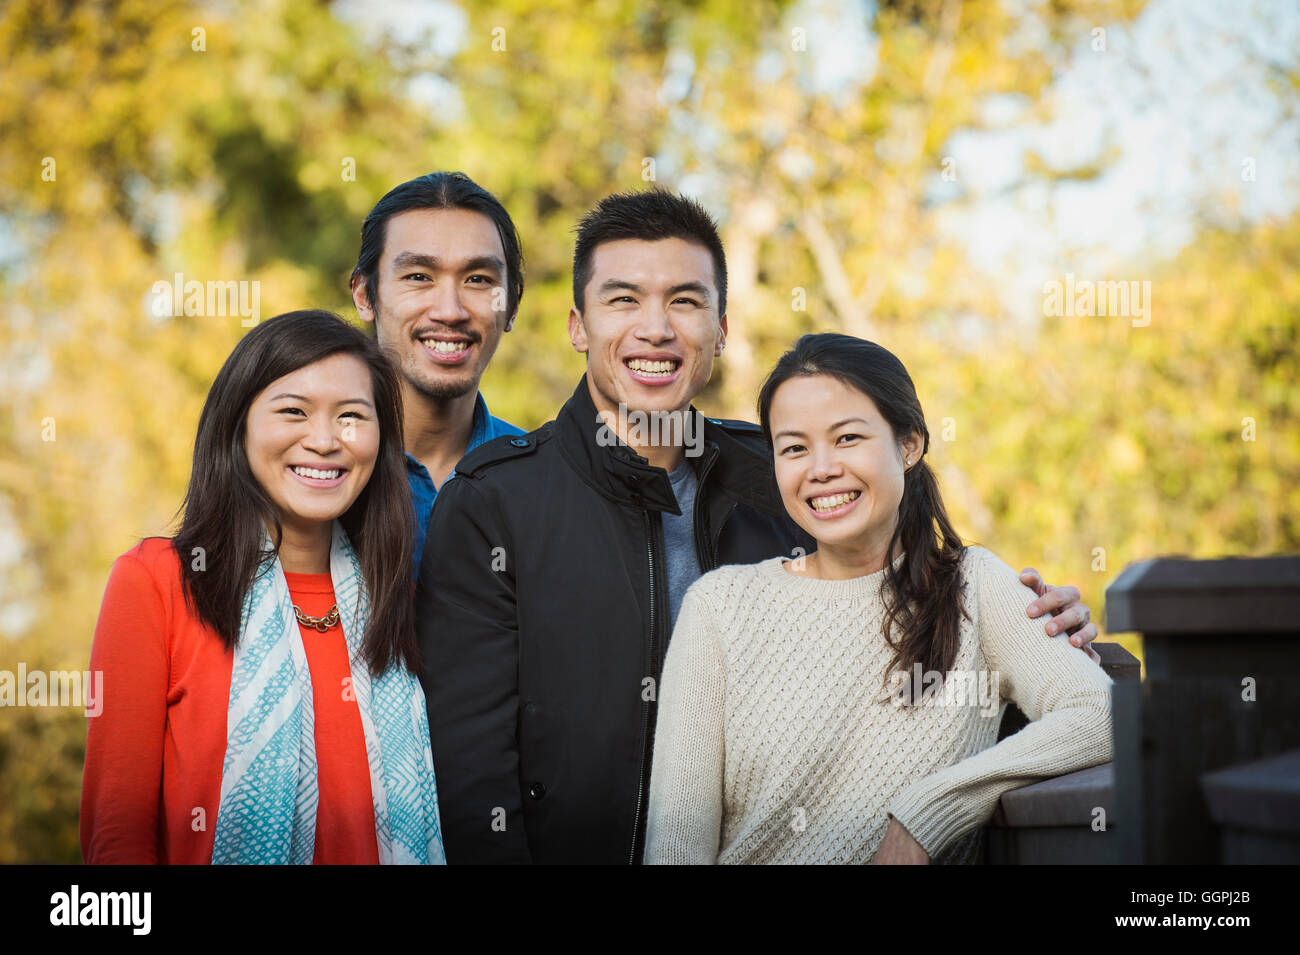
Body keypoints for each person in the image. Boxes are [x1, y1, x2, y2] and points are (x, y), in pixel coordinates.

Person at [416, 190, 1098, 864]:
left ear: (721, 328)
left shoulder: (783, 474)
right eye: (623, 299)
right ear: (577, 326)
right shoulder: (496, 502)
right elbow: (476, 779)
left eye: (684, 301)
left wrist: (1039, 616)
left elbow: (913, 612)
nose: (656, 328)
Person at [644, 333, 1114, 864]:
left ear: (908, 444)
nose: (820, 468)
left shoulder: (973, 587)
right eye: (794, 448)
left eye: (847, 438)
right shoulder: (720, 607)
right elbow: (677, 845)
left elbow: (1101, 712)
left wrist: (925, 813)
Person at [81, 310, 444, 864]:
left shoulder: (402, 596)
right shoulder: (157, 581)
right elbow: (117, 835)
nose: (324, 440)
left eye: (351, 416)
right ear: (238, 426)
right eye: (293, 412)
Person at [350, 172, 524, 576]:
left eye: (478, 280)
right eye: (418, 277)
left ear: (512, 303)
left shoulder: (549, 484)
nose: (450, 310)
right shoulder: (317, 467)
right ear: (364, 295)